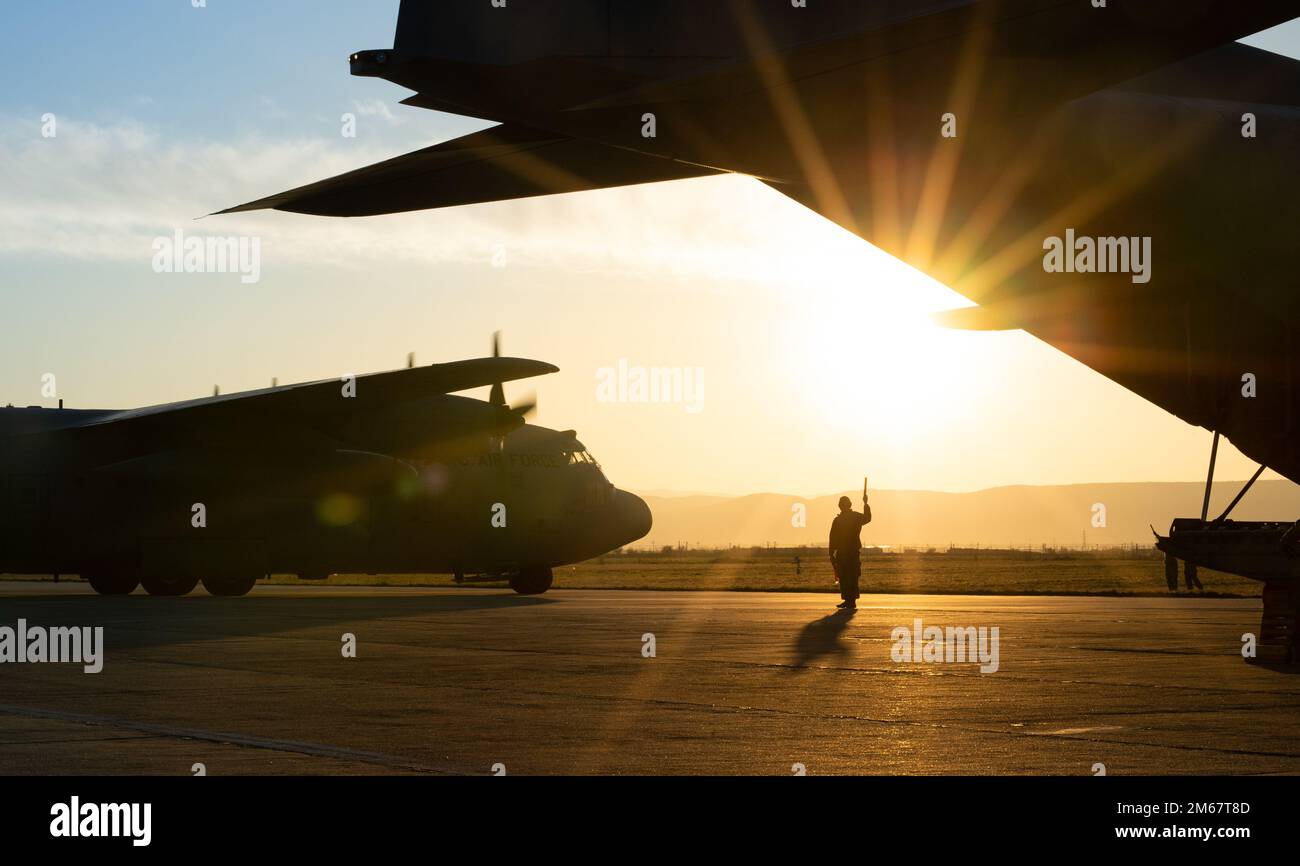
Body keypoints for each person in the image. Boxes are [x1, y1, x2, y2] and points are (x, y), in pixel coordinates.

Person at [829, 492, 872, 610]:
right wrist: (866, 504)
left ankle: (849, 600)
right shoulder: (856, 517)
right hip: (851, 552)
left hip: (844, 553)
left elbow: (832, 538)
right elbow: (868, 518)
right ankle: (850, 600)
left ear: (840, 506)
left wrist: (831, 553)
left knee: (845, 576)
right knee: (850, 576)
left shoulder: (838, 520)